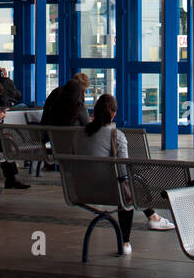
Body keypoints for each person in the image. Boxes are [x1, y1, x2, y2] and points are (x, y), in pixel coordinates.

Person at [71, 95, 174, 255]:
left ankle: (153, 217)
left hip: (81, 191)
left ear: (95, 112)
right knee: (131, 185)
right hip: (110, 193)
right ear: (113, 114)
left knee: (129, 185)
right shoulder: (116, 136)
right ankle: (126, 241)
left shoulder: (78, 135)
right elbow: (123, 171)